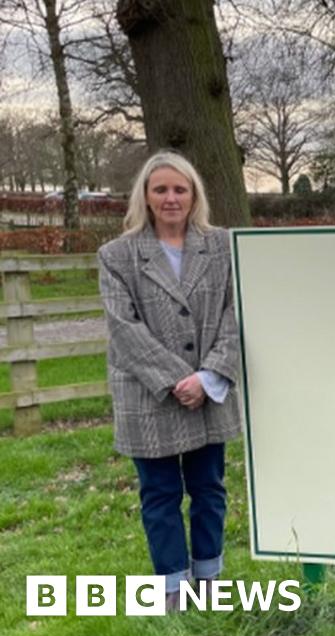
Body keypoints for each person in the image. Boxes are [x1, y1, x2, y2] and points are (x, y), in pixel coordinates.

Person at [98, 151, 241, 611]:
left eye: (180, 188)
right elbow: (123, 326)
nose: (171, 197)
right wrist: (180, 379)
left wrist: (210, 375)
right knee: (159, 494)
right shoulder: (117, 255)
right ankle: (172, 591)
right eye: (160, 189)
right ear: (145, 195)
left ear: (194, 193)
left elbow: (237, 314)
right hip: (149, 395)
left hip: (210, 390)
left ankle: (210, 581)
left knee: (209, 489)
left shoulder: (223, 246)